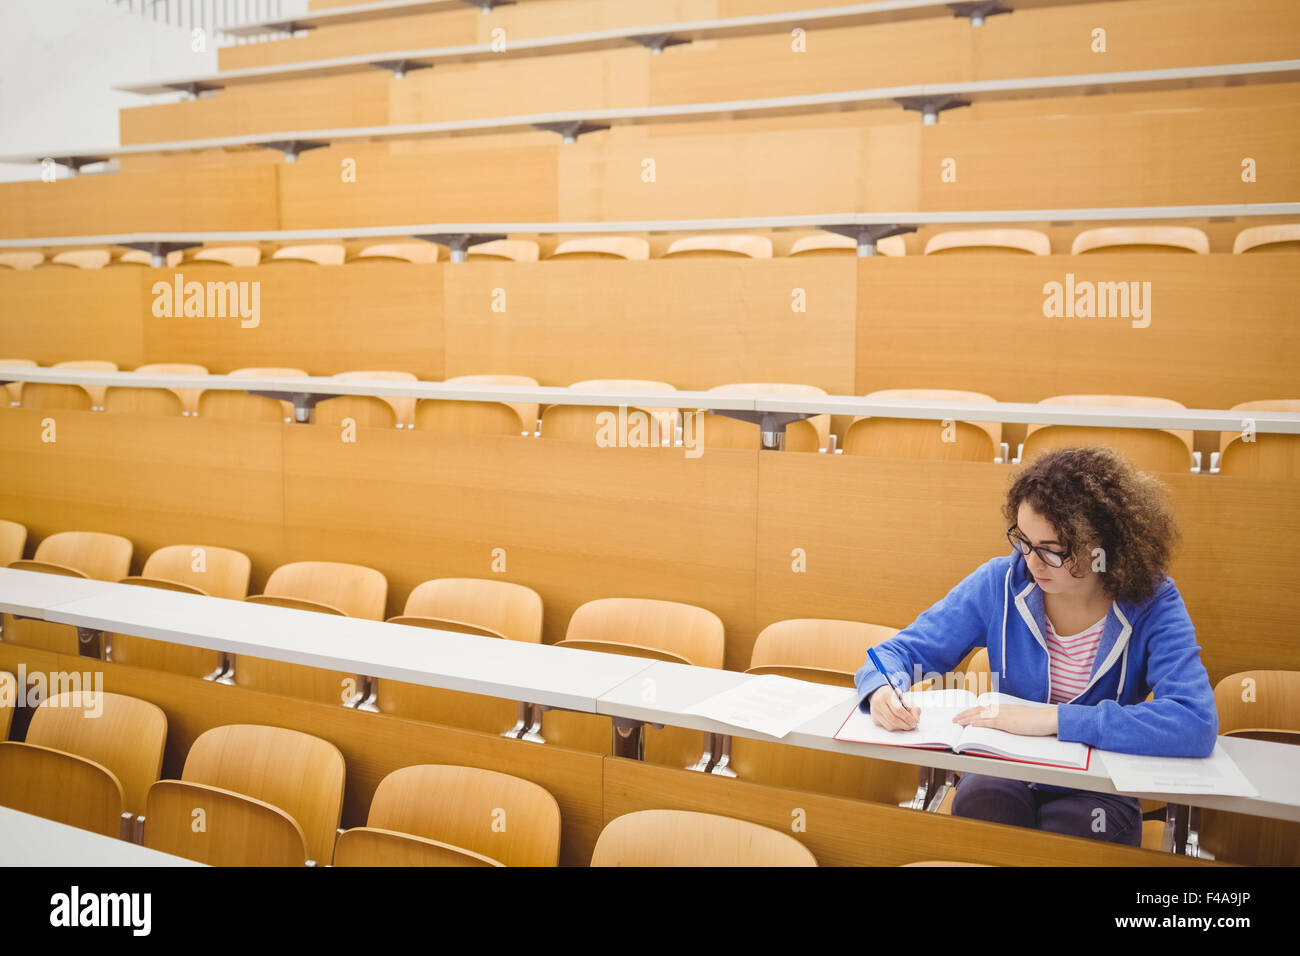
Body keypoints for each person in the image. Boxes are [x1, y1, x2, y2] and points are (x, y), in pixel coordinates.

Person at [853, 445, 1218, 845]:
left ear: (1104, 546)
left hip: (1096, 787)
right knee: (983, 812)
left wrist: (1054, 720)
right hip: (1006, 770)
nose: (1031, 561)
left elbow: (1193, 722)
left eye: (1052, 550)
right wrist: (882, 688)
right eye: (1023, 540)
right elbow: (899, 653)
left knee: (1075, 833)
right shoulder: (1000, 582)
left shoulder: (1152, 600)